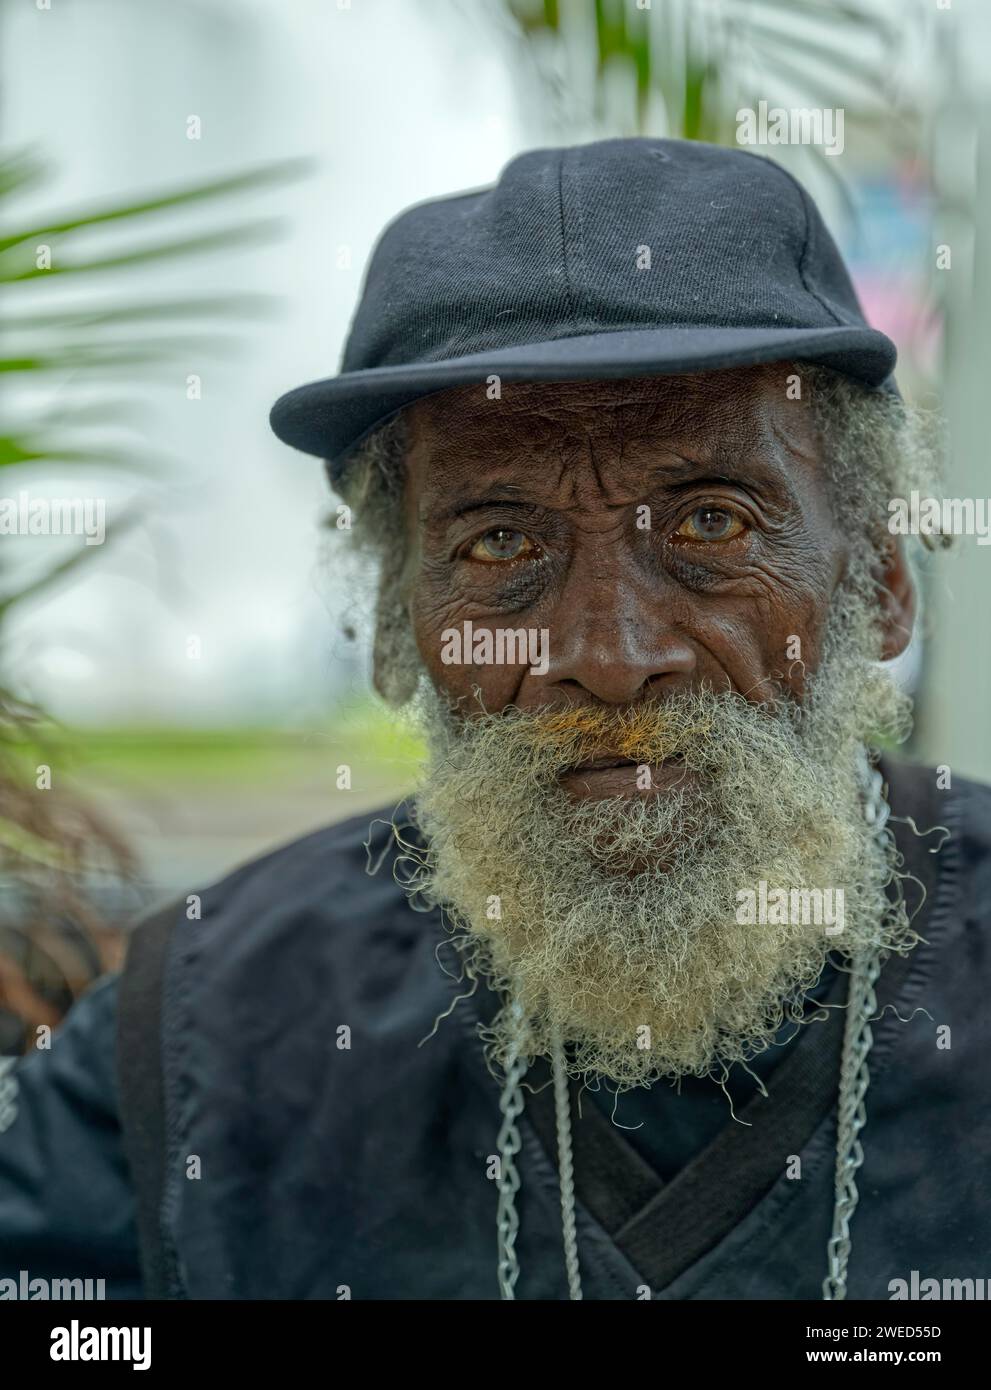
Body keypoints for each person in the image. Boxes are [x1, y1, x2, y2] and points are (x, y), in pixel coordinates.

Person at [2, 138, 988, 1303]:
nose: (610, 659)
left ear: (877, 579)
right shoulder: (197, 1041)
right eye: (501, 544)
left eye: (711, 523)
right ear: (389, 626)